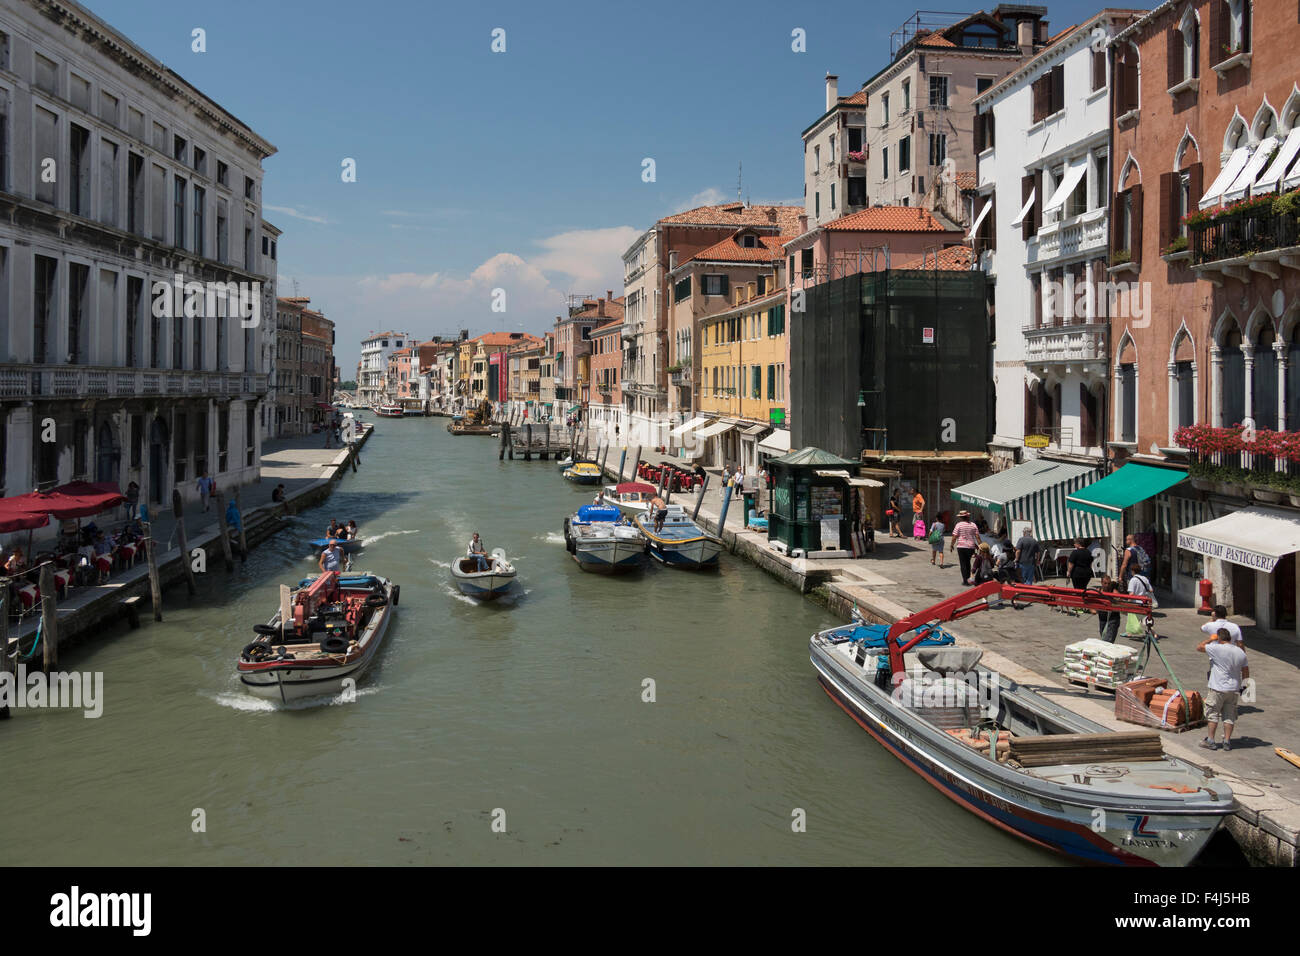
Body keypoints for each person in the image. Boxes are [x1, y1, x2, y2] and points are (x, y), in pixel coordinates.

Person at [1198, 627, 1249, 751]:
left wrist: (1210, 639)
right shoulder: (1240, 652)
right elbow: (1246, 672)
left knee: (1213, 714)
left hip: (1217, 687)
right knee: (1229, 716)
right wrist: (1244, 687)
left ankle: (1210, 740)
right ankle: (1226, 741)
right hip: (1233, 688)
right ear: (1230, 638)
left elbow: (1199, 647)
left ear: (1219, 638)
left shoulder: (1216, 648)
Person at [950, 510, 980, 585]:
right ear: (967, 516)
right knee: (968, 563)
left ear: (961, 517)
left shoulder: (958, 525)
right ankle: (968, 578)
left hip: (961, 547)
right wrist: (980, 545)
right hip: (970, 547)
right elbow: (977, 537)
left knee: (963, 563)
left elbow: (954, 536)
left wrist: (951, 545)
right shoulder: (973, 525)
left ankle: (965, 580)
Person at [1096, 575, 1122, 642]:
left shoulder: (1113, 592)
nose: (1107, 585)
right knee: (1103, 638)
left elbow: (1120, 601)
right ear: (1101, 583)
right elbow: (1090, 601)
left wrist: (1116, 600)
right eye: (1105, 583)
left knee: (1107, 642)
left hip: (1113, 618)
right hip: (1102, 618)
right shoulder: (1098, 591)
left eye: (1109, 583)